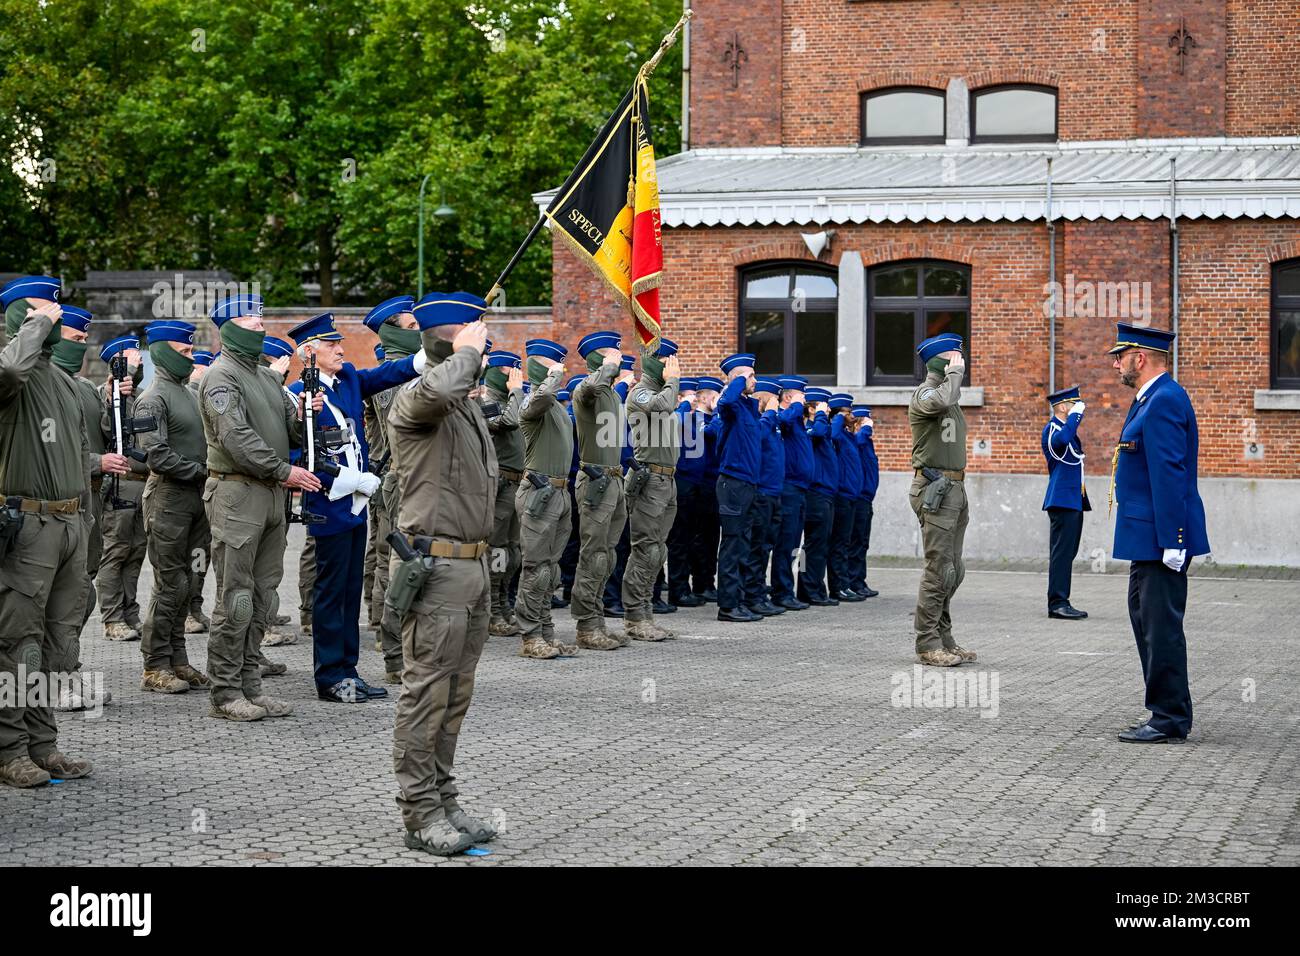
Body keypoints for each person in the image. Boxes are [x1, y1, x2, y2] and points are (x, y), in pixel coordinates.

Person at [386, 291, 497, 855]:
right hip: (435, 567)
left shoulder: (465, 404)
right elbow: (436, 388)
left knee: (456, 694)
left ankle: (444, 798)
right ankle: (419, 813)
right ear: (444, 336)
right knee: (426, 691)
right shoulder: (414, 397)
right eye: (472, 327)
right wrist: (466, 354)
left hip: (472, 566)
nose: (484, 334)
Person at [287, 311, 423, 703]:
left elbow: (389, 374)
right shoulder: (299, 395)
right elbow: (303, 455)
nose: (341, 350)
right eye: (332, 345)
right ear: (309, 353)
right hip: (329, 502)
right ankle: (330, 675)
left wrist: (434, 352)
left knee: (349, 592)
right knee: (330, 593)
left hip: (354, 503)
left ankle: (349, 669)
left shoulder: (346, 379)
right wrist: (349, 481)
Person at [198, 293, 319, 721]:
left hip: (270, 493)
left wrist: (303, 415)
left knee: (264, 595)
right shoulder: (221, 376)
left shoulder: (267, 379)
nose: (260, 325)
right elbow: (235, 438)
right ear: (228, 328)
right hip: (238, 493)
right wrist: (284, 470)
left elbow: (289, 431)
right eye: (251, 320)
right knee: (237, 596)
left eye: (261, 319)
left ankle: (251, 684)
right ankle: (225, 691)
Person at [0, 275, 95, 787]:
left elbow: (80, 454)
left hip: (69, 522)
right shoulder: (11, 371)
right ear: (20, 316)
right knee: (17, 643)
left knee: (59, 643)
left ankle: (43, 744)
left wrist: (86, 523)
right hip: (27, 524)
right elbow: (10, 367)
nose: (57, 319)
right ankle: (8, 749)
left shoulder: (60, 380)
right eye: (44, 312)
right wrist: (35, 324)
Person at [1107, 323, 1208, 744]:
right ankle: (1163, 709)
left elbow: (1169, 474)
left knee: (1161, 627)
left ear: (1141, 357)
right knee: (1147, 623)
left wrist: (1175, 538)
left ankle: (1169, 718)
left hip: (1160, 537)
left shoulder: (1164, 400)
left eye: (1120, 355)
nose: (1115, 363)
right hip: (1145, 537)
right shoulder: (1149, 399)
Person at [50, 305, 121, 712]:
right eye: (77, 340)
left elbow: (102, 433)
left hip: (86, 500)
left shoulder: (78, 386)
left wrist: (112, 396)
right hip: (62, 500)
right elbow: (54, 451)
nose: (83, 348)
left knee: (80, 595)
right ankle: (52, 683)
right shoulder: (41, 386)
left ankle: (67, 673)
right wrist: (97, 463)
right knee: (62, 599)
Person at [134, 320, 212, 693]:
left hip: (198, 502)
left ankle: (179, 659)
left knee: (192, 579)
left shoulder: (192, 393)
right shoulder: (152, 399)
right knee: (171, 583)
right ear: (163, 352)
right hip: (169, 500)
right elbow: (156, 455)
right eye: (183, 352)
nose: (190, 357)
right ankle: (155, 665)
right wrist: (203, 471)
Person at [362, 295, 423, 678]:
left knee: (408, 562)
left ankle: (408, 645)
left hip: (415, 480)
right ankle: (394, 651)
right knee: (398, 564)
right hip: (399, 480)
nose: (422, 332)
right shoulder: (390, 381)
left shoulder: (412, 375)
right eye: (413, 327)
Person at [908, 333, 975, 667]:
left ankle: (945, 638)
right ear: (938, 360)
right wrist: (954, 375)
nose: (960, 360)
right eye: (954, 354)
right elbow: (940, 400)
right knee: (938, 570)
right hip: (935, 489)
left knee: (953, 570)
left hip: (954, 490)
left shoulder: (951, 393)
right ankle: (927, 643)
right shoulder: (927, 393)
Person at [515, 339, 574, 659]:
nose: (559, 370)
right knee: (536, 566)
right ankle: (530, 635)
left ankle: (546, 631)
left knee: (550, 569)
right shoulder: (532, 402)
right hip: (539, 493)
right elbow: (540, 397)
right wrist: (551, 377)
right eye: (552, 364)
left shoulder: (553, 405)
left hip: (559, 492)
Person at [569, 331, 628, 650]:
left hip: (614, 480)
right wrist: (607, 368)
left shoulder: (612, 394)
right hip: (595, 481)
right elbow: (592, 386)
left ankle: (598, 619)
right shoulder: (586, 388)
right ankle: (585, 625)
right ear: (597, 358)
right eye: (611, 353)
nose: (618, 358)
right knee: (592, 554)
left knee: (607, 555)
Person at [621, 339, 681, 641]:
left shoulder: (662, 392)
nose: (673, 365)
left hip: (667, 481)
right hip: (649, 480)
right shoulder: (641, 392)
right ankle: (634, 617)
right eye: (668, 359)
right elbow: (663, 406)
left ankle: (646, 613)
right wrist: (672, 382)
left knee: (658, 550)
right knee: (645, 548)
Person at [97, 334, 149, 642]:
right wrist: (114, 394)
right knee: (115, 553)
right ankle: (112, 617)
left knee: (135, 554)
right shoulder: (109, 394)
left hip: (143, 485)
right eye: (134, 355)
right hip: (122, 484)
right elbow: (107, 430)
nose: (140, 359)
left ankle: (130, 612)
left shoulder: (140, 395)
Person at [481, 350, 526, 637]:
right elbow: (508, 421)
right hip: (499, 486)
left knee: (512, 551)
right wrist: (517, 391)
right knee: (495, 549)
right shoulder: (488, 403)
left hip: (516, 484)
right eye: (510, 369)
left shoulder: (511, 400)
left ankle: (504, 603)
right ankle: (492, 610)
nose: (515, 375)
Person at [714, 353, 762, 623]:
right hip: (732, 483)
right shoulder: (731, 406)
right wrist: (738, 380)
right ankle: (728, 606)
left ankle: (740, 600)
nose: (755, 380)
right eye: (750, 375)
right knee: (732, 545)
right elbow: (726, 400)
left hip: (747, 483)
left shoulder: (746, 408)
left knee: (744, 544)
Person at [1042, 385, 1089, 620]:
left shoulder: (1064, 428)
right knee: (1061, 553)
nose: (1077, 408)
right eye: (1072, 404)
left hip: (1073, 500)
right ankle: (1058, 603)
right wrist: (1076, 417)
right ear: (1062, 407)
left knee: (1068, 552)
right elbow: (1061, 442)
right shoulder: (1053, 429)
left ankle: (1061, 599)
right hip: (1061, 499)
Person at [741, 377, 786, 617]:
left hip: (774, 492)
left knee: (766, 546)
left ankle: (759, 592)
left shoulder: (772, 422)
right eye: (773, 399)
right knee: (755, 547)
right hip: (761, 492)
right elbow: (755, 439)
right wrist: (768, 413)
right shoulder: (759, 422)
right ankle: (751, 595)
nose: (776, 404)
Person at [770, 377, 812, 611]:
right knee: (785, 543)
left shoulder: (797, 418)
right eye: (800, 395)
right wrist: (794, 405)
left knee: (795, 543)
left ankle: (788, 589)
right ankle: (781, 591)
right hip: (788, 488)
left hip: (800, 489)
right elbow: (783, 419)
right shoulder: (784, 415)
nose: (804, 400)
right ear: (788, 397)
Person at [185, 349, 216, 635]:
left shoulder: (202, 396)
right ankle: (185, 611)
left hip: (202, 488)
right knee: (185, 557)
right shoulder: (189, 397)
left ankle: (195, 607)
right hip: (185, 488)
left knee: (199, 556)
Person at [798, 387, 838, 606]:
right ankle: (807, 588)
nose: (828, 409)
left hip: (826, 493)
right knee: (812, 546)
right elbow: (820, 433)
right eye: (824, 405)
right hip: (816, 494)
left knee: (819, 546)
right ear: (812, 408)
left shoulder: (822, 427)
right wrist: (819, 415)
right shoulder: (811, 428)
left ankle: (814, 586)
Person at [827, 393, 865, 603]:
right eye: (848, 412)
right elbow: (832, 434)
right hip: (841, 496)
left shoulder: (849, 436)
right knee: (839, 544)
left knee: (846, 543)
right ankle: (838, 586)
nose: (853, 416)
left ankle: (845, 583)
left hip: (851, 495)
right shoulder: (838, 435)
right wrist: (838, 418)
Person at [849, 405, 879, 598]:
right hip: (857, 498)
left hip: (866, 498)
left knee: (862, 542)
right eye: (866, 421)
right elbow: (856, 442)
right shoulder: (856, 439)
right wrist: (864, 428)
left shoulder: (866, 442)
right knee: (855, 542)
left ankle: (860, 579)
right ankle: (853, 581)